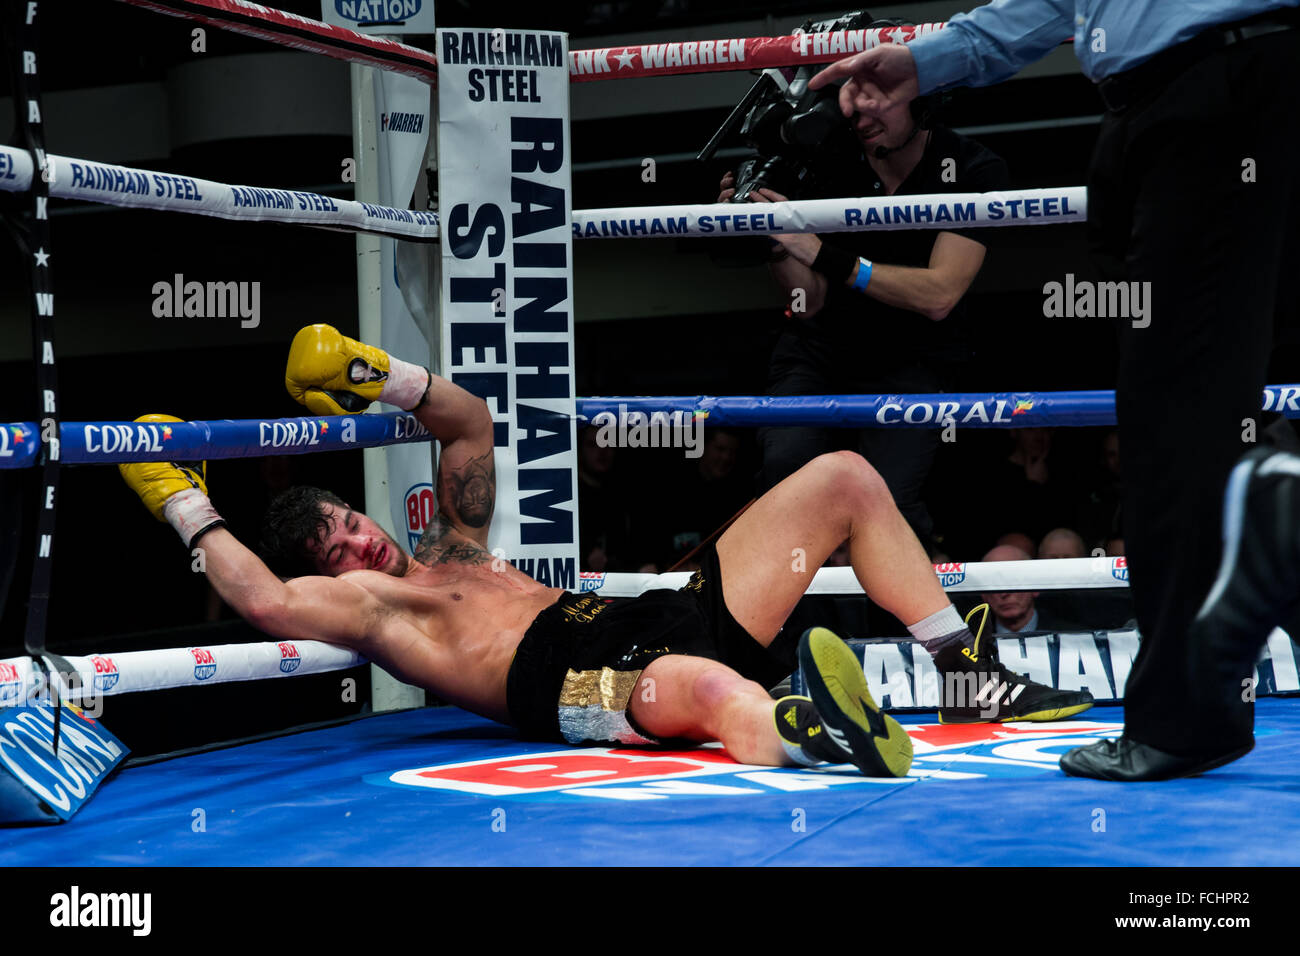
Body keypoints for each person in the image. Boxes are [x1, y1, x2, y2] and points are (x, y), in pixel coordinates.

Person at [120, 325, 1093, 780]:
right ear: (334, 575)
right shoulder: (379, 611)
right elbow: (261, 598)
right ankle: (814, 734)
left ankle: (968, 676)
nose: (355, 537)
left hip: (655, 614)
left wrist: (375, 376)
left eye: (345, 516)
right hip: (572, 681)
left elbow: (467, 423)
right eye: (335, 548)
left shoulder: (446, 542)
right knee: (709, 699)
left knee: (842, 475)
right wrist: (179, 496)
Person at [811, 1, 1300, 780]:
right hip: (1175, 107)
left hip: (1218, 94)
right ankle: (1195, 701)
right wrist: (926, 60)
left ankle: (1187, 718)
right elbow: (1055, 4)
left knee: (1183, 416)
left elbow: (938, 291)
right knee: (1192, 409)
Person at [720, 15, 1009, 555]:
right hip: (821, 348)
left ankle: (904, 636)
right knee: (786, 472)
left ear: (920, 91)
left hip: (915, 356)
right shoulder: (823, 160)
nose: (857, 108)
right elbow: (807, 303)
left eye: (875, 91)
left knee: (890, 501)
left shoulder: (971, 168)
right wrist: (772, 240)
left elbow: (939, 295)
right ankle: (787, 636)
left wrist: (827, 253)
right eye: (847, 91)